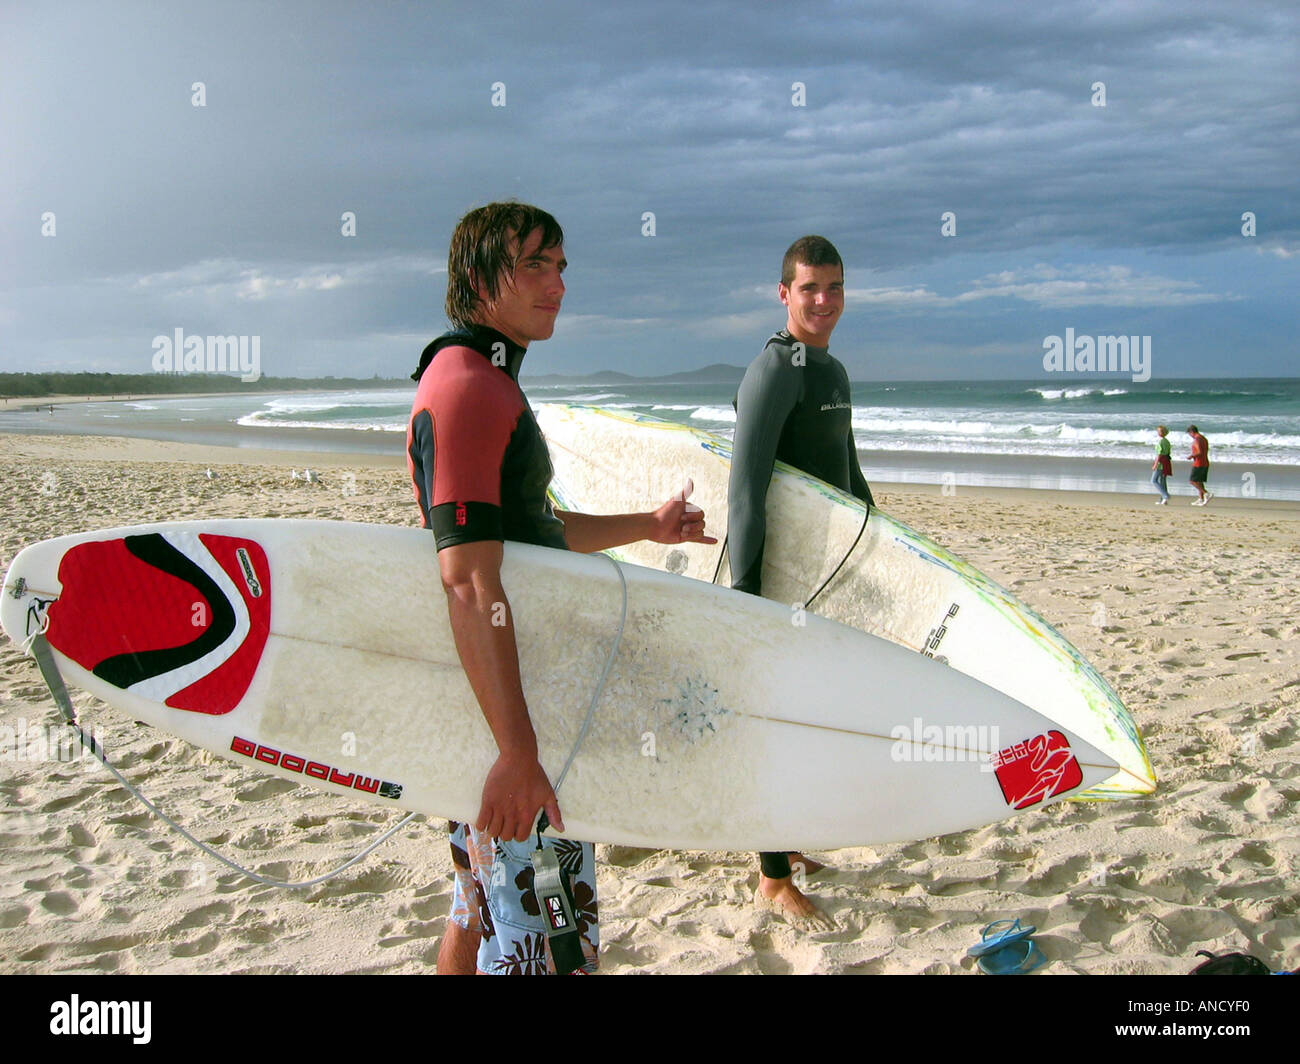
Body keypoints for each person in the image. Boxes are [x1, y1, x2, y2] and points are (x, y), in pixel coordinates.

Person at [409, 202, 716, 974]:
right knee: (547, 943)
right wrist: (517, 750)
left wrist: (647, 524)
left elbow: (525, 539)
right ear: (479, 278)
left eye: (562, 267)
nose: (557, 284)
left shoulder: (477, 377)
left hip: (494, 700)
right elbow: (469, 582)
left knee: (478, 912)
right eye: (535, 265)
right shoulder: (470, 386)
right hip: (514, 710)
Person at [727, 235, 874, 930]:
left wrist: (884, 545)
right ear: (783, 293)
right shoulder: (775, 370)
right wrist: (746, 600)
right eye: (809, 288)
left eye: (835, 288)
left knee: (809, 719)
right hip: (778, 584)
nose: (823, 301)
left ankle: (781, 842)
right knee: (775, 726)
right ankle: (770, 875)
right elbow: (745, 495)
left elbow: (851, 477)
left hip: (825, 579)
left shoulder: (833, 371)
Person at [1186, 425, 1212, 505]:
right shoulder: (1203, 438)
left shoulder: (1197, 439)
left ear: (1191, 432)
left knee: (1192, 481)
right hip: (1205, 462)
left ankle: (1206, 493)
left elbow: (1199, 452)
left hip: (1199, 463)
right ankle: (1201, 499)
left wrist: (1191, 456)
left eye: (1190, 434)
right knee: (1200, 481)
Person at [1151, 425, 1172, 504]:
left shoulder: (1161, 441)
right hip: (1166, 462)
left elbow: (1159, 454)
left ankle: (1165, 495)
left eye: (1159, 431)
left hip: (1161, 463)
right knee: (1163, 480)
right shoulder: (1167, 441)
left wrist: (1155, 464)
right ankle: (1163, 499)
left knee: (1154, 480)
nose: (1158, 432)